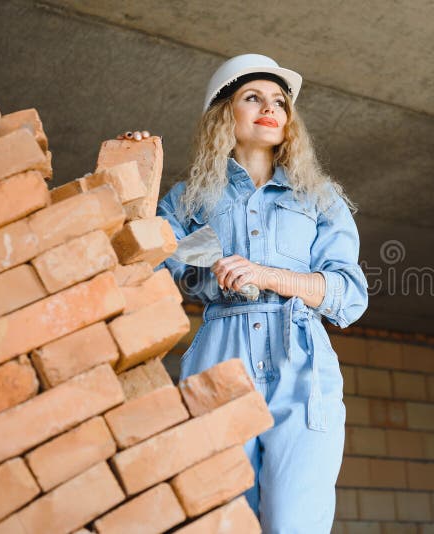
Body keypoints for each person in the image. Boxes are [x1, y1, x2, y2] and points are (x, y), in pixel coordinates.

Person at [154, 54, 368, 532]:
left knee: (294, 523)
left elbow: (349, 294)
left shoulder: (317, 198)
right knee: (223, 520)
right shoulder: (191, 199)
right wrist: (135, 169)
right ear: (224, 113)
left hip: (302, 363)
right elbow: (146, 259)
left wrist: (267, 275)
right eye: (253, 98)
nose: (270, 108)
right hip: (219, 357)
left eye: (279, 102)